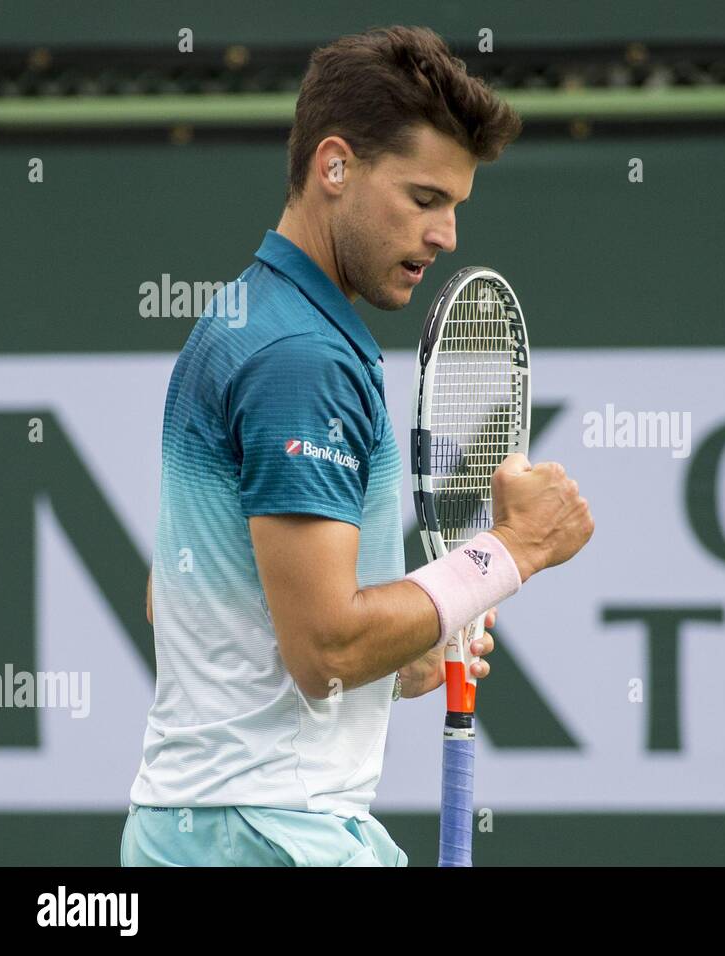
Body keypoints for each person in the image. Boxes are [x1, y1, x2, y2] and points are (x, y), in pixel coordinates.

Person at [122, 25, 593, 867]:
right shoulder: (301, 356)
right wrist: (509, 552)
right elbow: (325, 648)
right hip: (270, 834)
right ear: (334, 166)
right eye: (423, 199)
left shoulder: (241, 319)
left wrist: (411, 645)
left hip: (196, 831)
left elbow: (182, 597)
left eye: (454, 207)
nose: (446, 234)